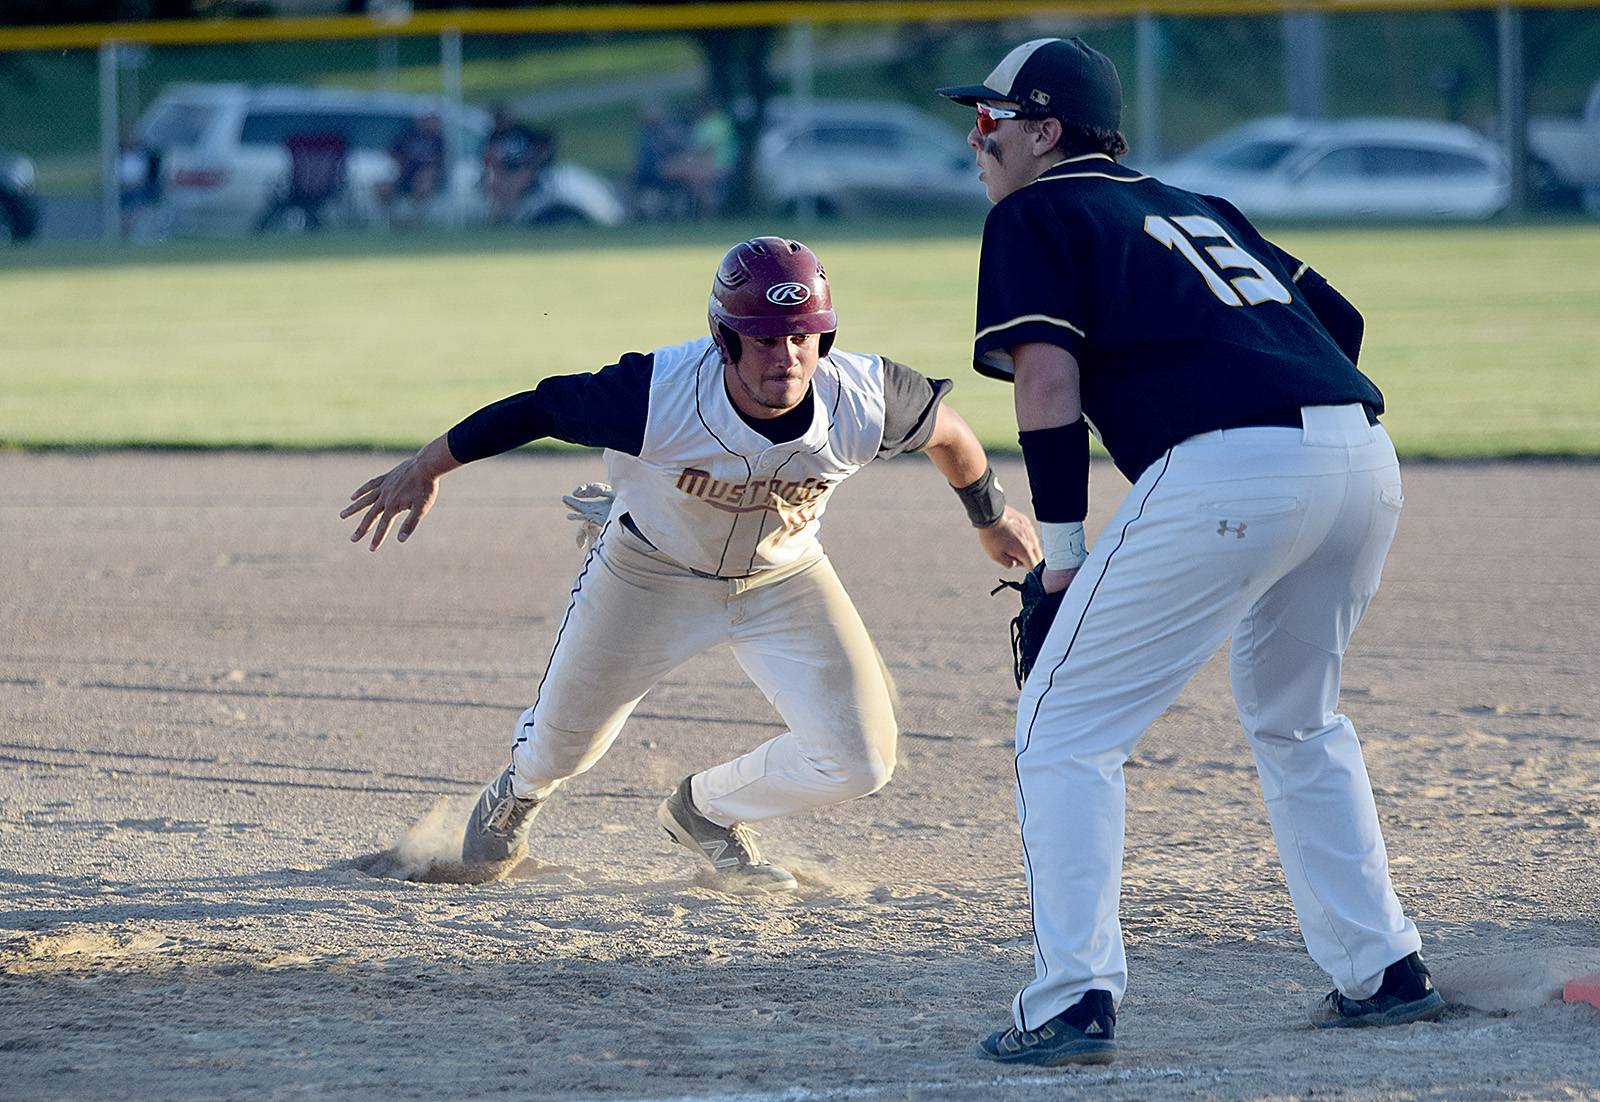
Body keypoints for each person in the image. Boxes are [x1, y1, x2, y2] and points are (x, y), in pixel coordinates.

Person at [934, 38, 1445, 1065]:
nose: (976, 139)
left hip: (1230, 470)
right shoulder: (1192, 202)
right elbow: (1334, 319)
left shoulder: (1035, 210)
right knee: (1297, 715)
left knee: (1063, 723)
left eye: (990, 120)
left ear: (1045, 130)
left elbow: (1046, 387)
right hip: (1359, 456)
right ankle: (1383, 967)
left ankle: (1072, 999)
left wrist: (1066, 553)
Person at [341, 236, 1040, 893]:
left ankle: (703, 810)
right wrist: (428, 465)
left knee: (861, 761)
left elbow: (949, 434)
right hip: (650, 572)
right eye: (765, 339)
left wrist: (992, 515)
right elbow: (539, 409)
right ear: (726, 339)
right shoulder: (659, 392)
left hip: (784, 578)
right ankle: (517, 791)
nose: (786, 356)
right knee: (561, 752)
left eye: (802, 337)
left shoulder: (864, 397)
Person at [482, 105, 553, 225]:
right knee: (497, 184)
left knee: (516, 183)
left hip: (522, 170)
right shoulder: (493, 136)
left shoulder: (523, 131)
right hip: (503, 172)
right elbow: (489, 158)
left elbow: (544, 142)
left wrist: (534, 162)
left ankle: (506, 216)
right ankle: (499, 218)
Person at [376, 111, 446, 227]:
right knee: (381, 187)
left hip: (425, 180)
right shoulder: (407, 136)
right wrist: (400, 163)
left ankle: (415, 220)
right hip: (404, 177)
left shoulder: (438, 140)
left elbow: (438, 164)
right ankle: (390, 221)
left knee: (424, 180)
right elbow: (392, 153)